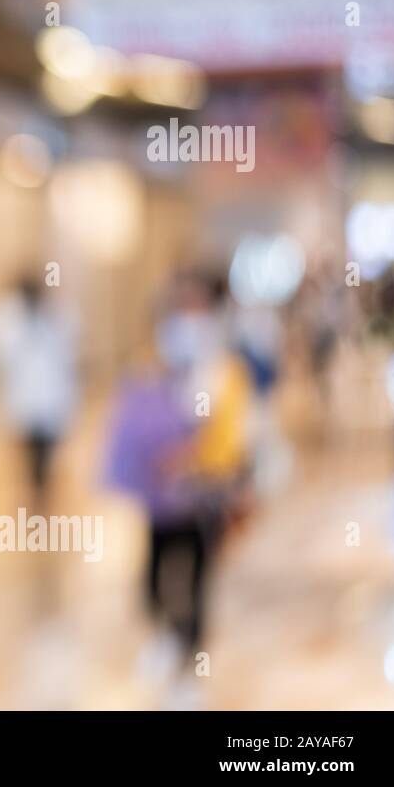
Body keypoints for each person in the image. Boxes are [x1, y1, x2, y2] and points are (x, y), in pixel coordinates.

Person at [108, 273, 252, 665]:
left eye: (196, 308)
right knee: (155, 570)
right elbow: (129, 427)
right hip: (159, 493)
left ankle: (190, 646)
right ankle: (167, 632)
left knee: (200, 571)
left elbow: (232, 434)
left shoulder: (225, 371)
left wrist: (198, 458)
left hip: (204, 491)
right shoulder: (148, 369)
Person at [0, 277, 79, 509]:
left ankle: (41, 495)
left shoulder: (58, 313)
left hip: (51, 398)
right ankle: (34, 495)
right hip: (21, 400)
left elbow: (72, 353)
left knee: (46, 453)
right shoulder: (3, 317)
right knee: (28, 454)